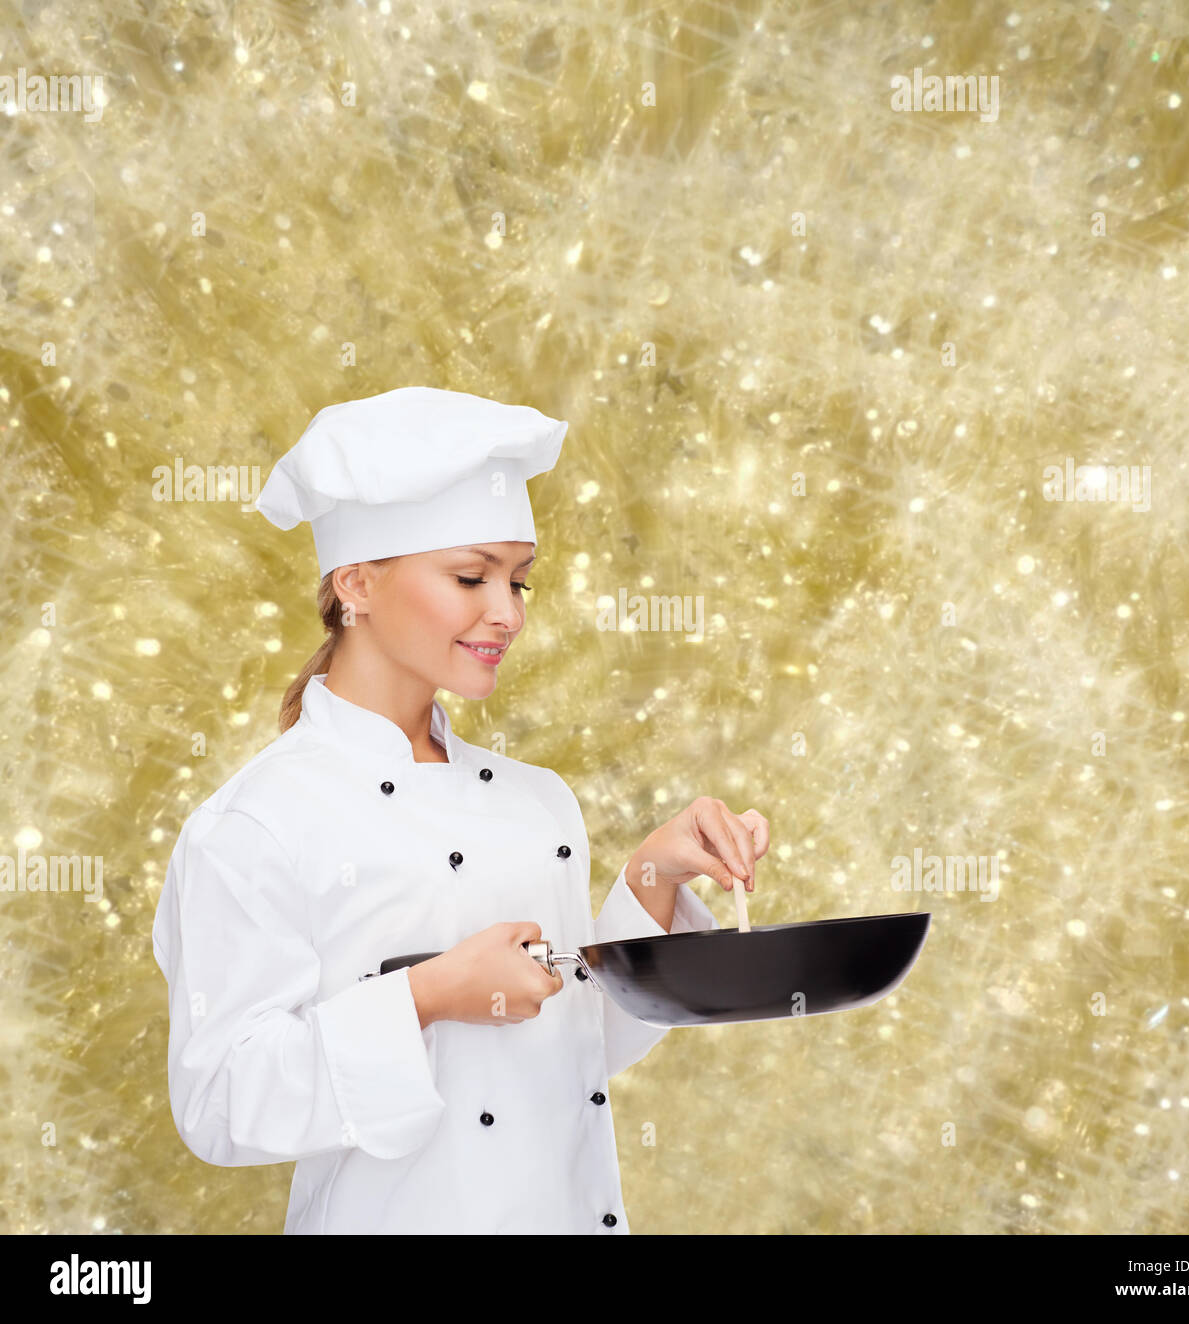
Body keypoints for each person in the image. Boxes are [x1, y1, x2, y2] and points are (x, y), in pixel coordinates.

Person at [151, 385, 770, 1234]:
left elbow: (571, 1052)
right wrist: (426, 997)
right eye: (471, 576)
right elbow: (222, 1100)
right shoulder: (257, 823)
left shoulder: (536, 802)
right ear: (358, 584)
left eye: (519, 581)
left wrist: (653, 872)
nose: (507, 613)